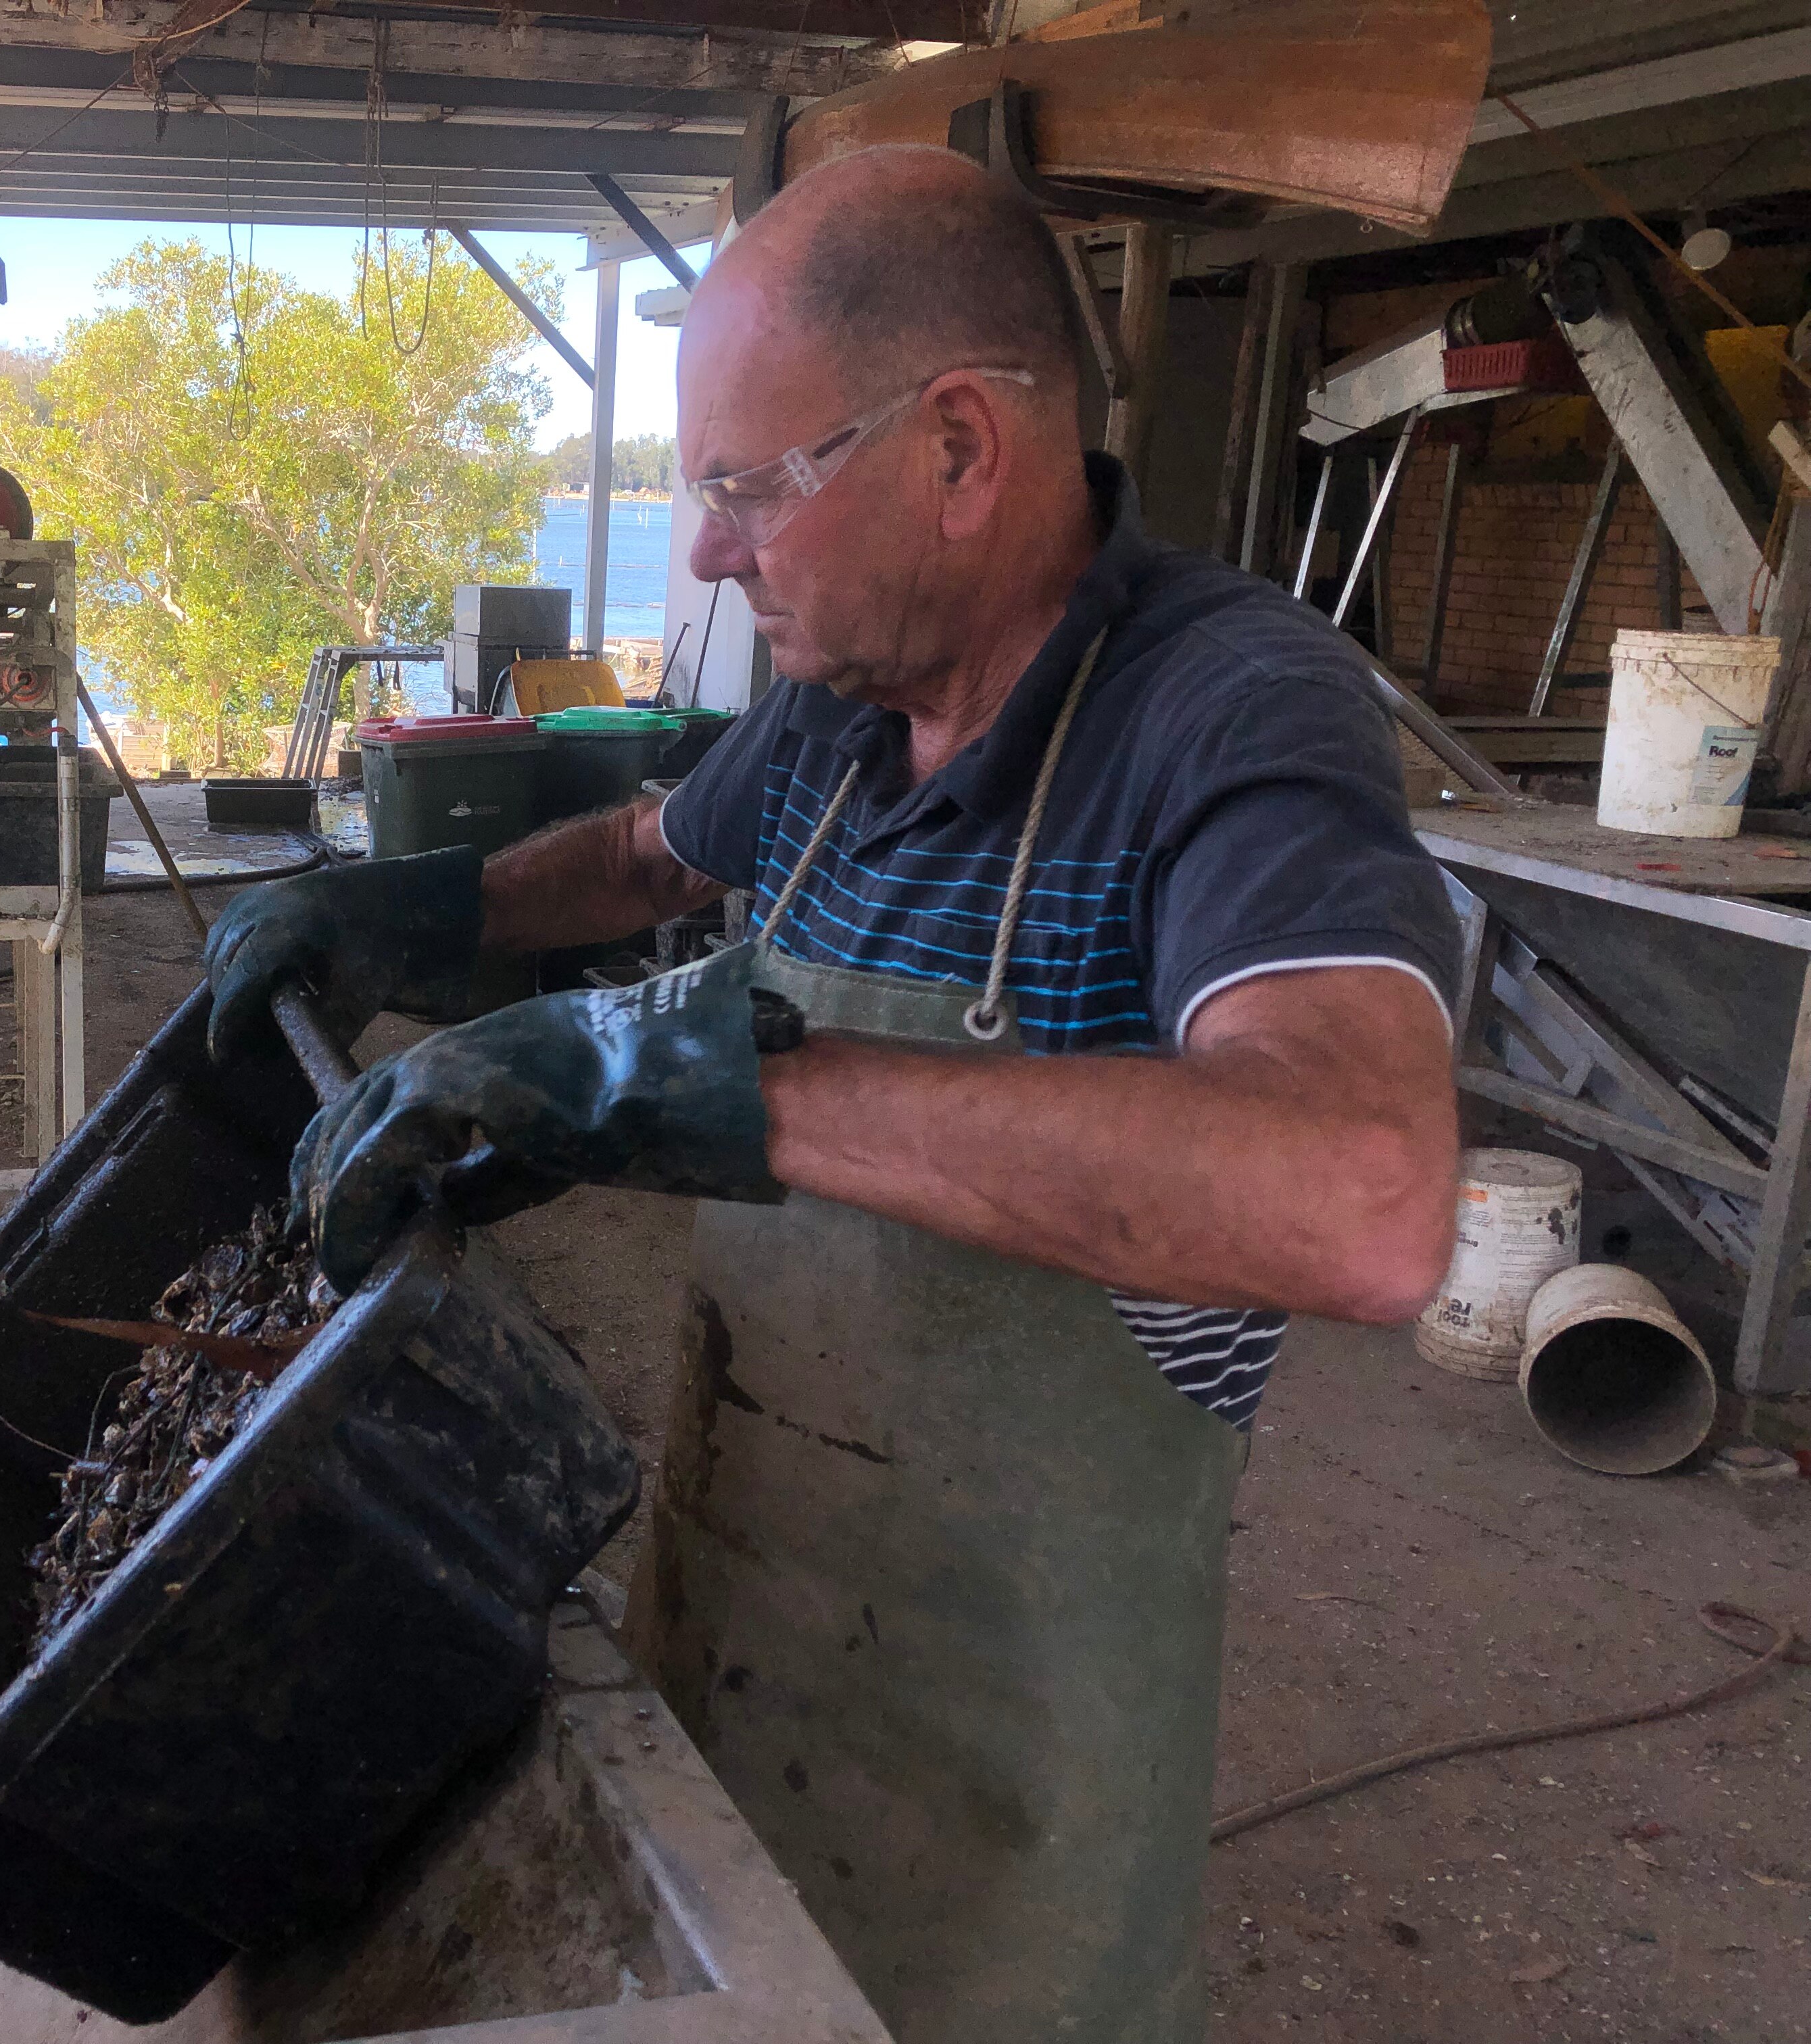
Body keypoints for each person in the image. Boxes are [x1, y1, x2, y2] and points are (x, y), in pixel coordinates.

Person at [205, 145, 1461, 2042]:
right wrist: (428, 910)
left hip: (1004, 1796)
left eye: (741, 490)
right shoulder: (840, 689)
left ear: (960, 448)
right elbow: (648, 858)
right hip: (724, 1636)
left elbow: (1359, 1198)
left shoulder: (1227, 712)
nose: (706, 551)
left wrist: (710, 1083)